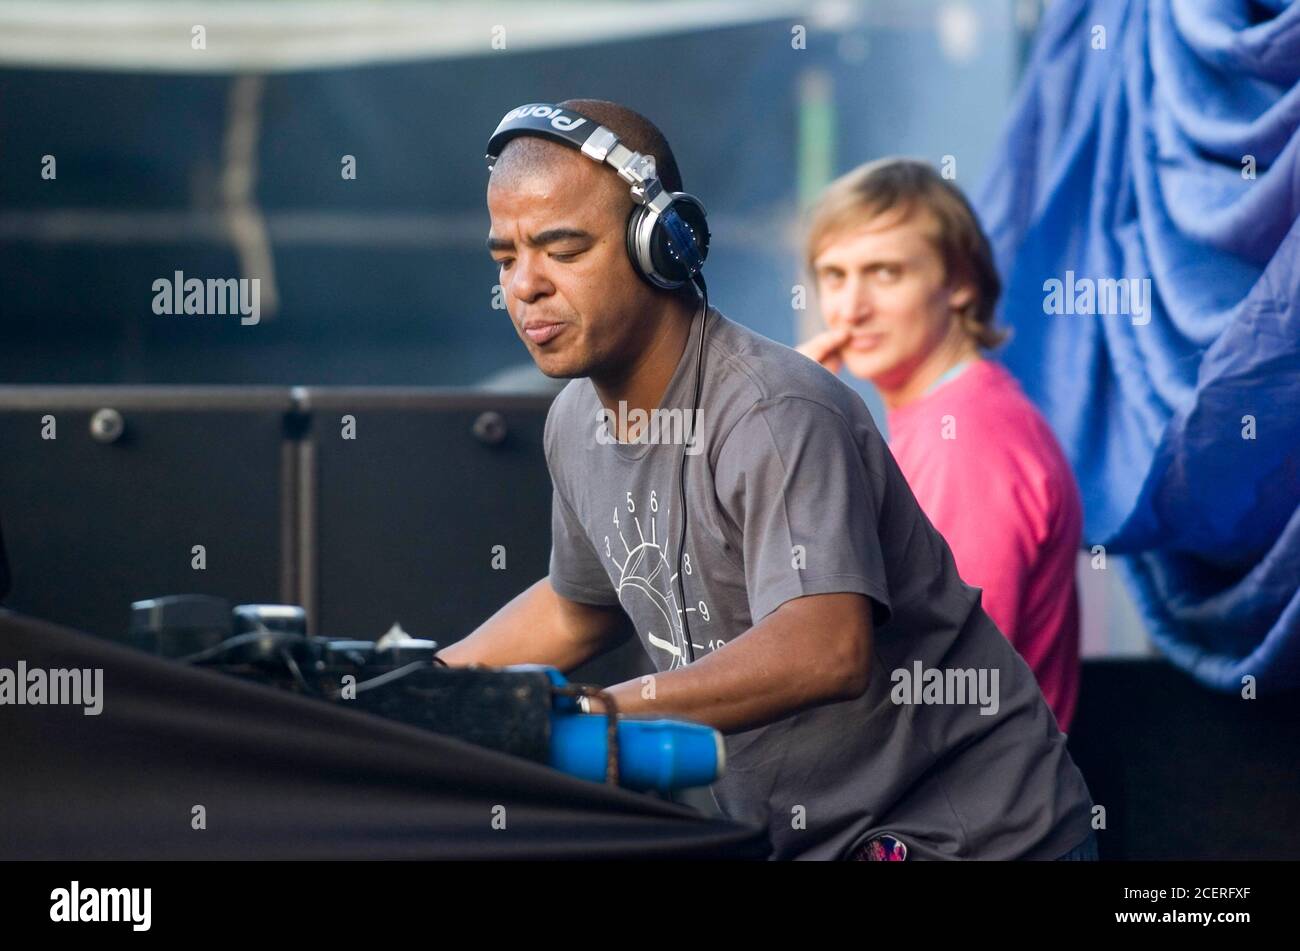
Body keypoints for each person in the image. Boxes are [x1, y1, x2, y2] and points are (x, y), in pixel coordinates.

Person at [438, 99, 1095, 860]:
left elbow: (825, 647)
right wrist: (422, 685)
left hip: (975, 839)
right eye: (506, 257)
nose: (525, 285)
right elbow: (580, 604)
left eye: (563, 248)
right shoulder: (574, 421)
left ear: (664, 245)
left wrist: (598, 711)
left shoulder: (774, 409)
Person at [798, 159, 1084, 733]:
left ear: (959, 284)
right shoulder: (939, 421)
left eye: (884, 273)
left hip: (966, 811)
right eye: (834, 276)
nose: (851, 309)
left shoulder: (966, 438)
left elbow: (949, 680)